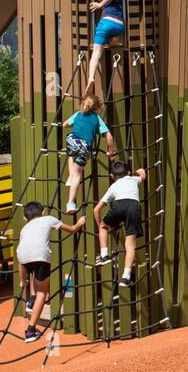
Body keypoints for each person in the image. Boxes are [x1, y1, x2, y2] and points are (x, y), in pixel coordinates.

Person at [16, 201, 86, 343]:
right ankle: (30, 330)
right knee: (43, 292)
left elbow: (22, 253)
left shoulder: (24, 229)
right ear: (42, 212)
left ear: (25, 218)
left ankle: (27, 292)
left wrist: (22, 280)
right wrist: (79, 223)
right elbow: (72, 230)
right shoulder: (49, 219)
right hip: (41, 255)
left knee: (29, 272)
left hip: (22, 258)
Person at [93, 158, 147, 289]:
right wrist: (140, 171)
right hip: (134, 207)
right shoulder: (133, 179)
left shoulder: (113, 186)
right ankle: (125, 277)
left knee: (103, 227)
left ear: (112, 176)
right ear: (128, 172)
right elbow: (143, 176)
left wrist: (101, 225)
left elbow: (96, 209)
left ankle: (104, 255)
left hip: (118, 205)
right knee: (130, 245)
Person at [63, 95, 117, 213]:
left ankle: (71, 175)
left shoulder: (78, 114)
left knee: (71, 153)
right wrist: (111, 151)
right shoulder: (97, 119)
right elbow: (109, 136)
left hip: (71, 140)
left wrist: (75, 124)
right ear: (97, 109)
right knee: (78, 174)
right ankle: (70, 203)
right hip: (84, 146)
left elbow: (64, 125)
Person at [87, 0, 125, 98]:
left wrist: (100, 4)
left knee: (96, 54)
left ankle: (91, 78)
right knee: (101, 45)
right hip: (119, 27)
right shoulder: (118, 6)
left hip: (106, 24)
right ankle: (110, 42)